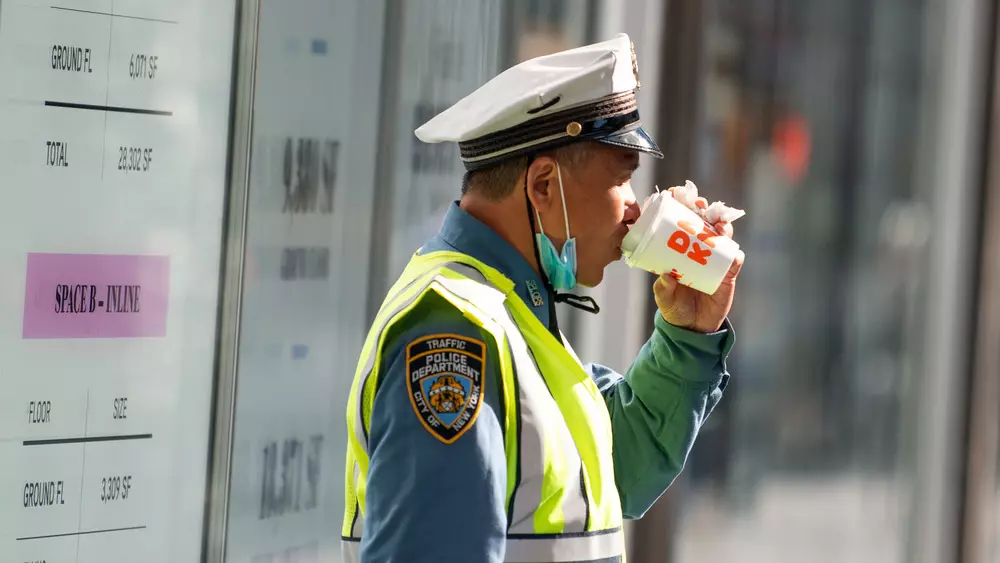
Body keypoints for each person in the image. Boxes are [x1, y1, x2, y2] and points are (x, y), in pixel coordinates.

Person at [342, 33, 742, 563]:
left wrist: (687, 334)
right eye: (622, 181)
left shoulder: (509, 314)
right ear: (544, 187)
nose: (633, 207)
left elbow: (614, 468)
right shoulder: (457, 334)